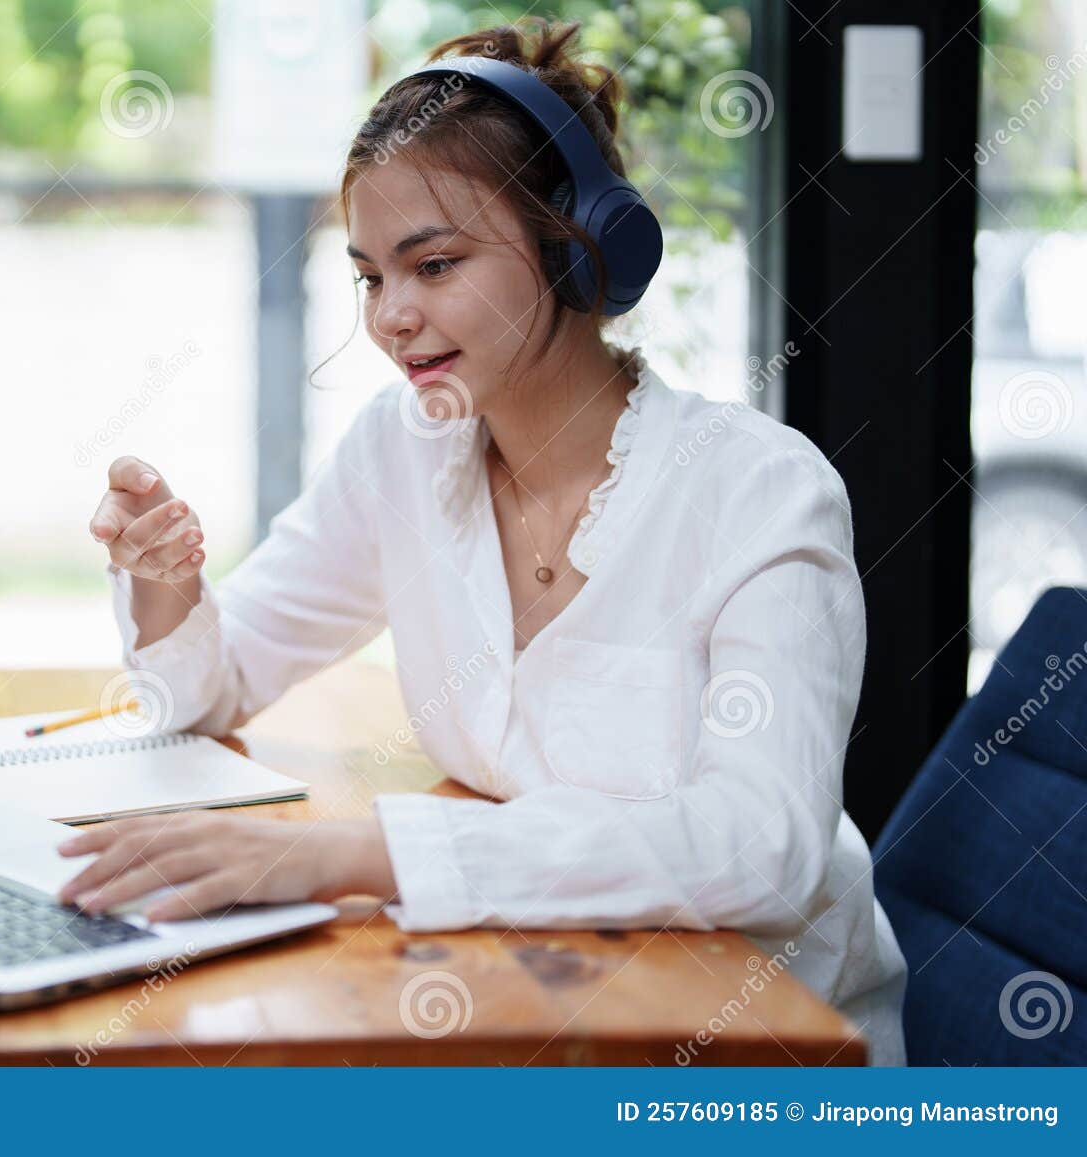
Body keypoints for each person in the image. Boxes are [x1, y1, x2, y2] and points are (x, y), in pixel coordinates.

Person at [58, 17, 908, 1065]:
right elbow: (214, 682)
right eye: (372, 276)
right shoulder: (402, 451)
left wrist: (346, 857)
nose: (391, 317)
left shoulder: (757, 492)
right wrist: (166, 586)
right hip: (544, 990)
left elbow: (758, 847)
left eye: (436, 263)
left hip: (753, 1043)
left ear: (577, 244)